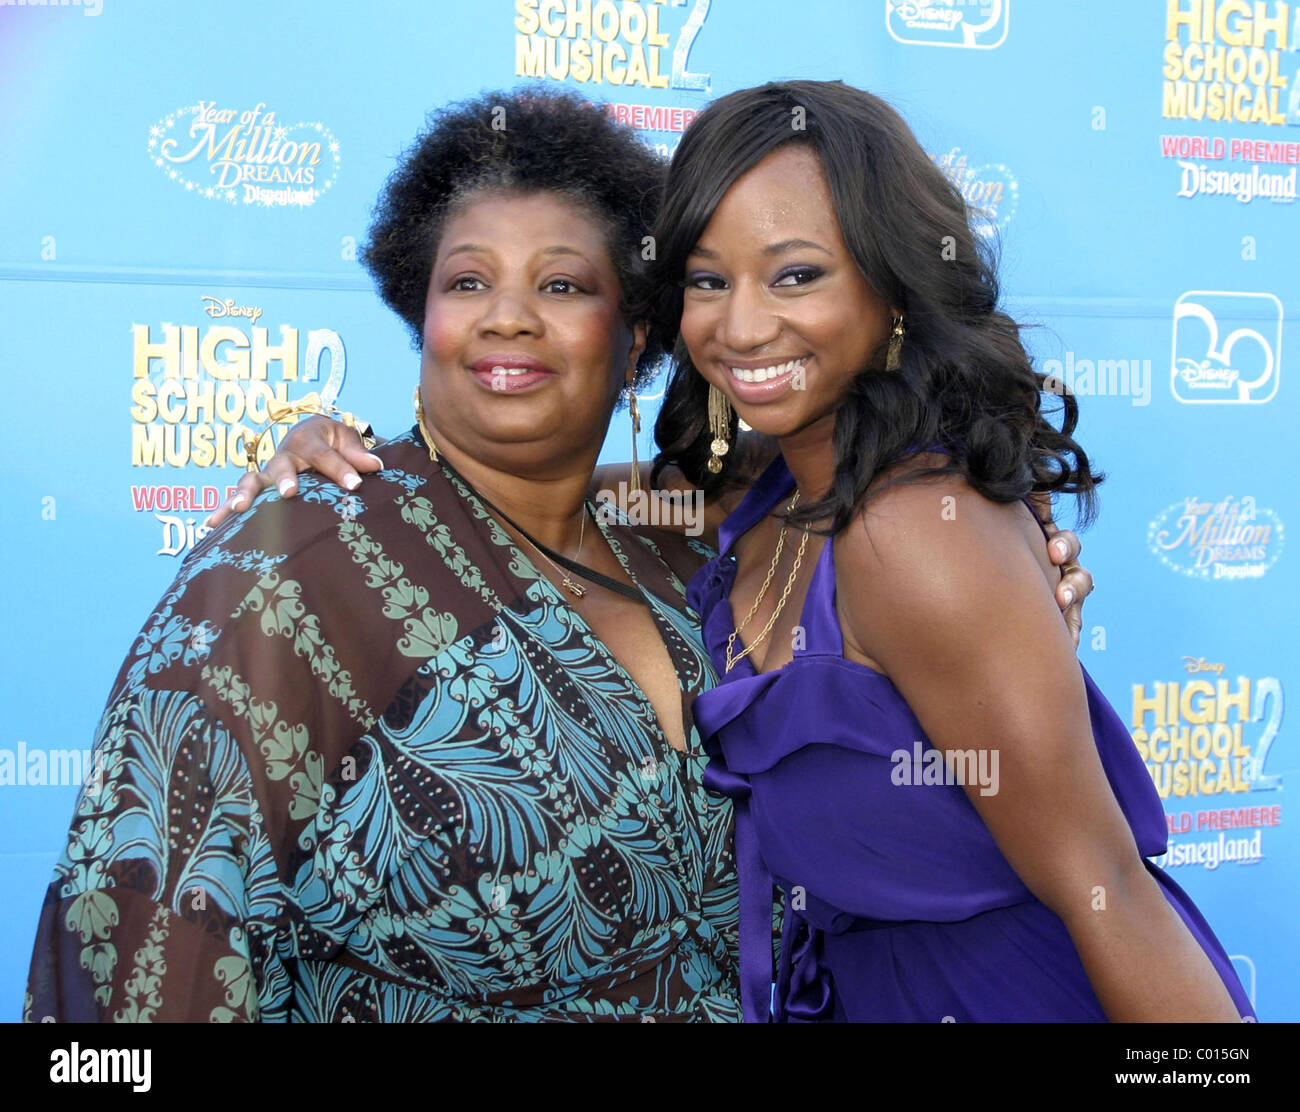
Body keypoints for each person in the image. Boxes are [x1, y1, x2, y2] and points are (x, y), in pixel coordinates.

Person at [25, 89, 751, 1022]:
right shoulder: (293, 569)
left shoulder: (672, 544)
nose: (508, 318)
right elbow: (139, 936)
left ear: (636, 335)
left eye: (562, 285)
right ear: (423, 316)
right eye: (467, 283)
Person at [650, 80, 1255, 1022]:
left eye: (796, 274)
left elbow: (1109, 893)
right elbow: (545, 493)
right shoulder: (762, 499)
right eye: (706, 279)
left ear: (891, 288)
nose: (741, 326)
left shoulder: (913, 538)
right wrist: (337, 450)